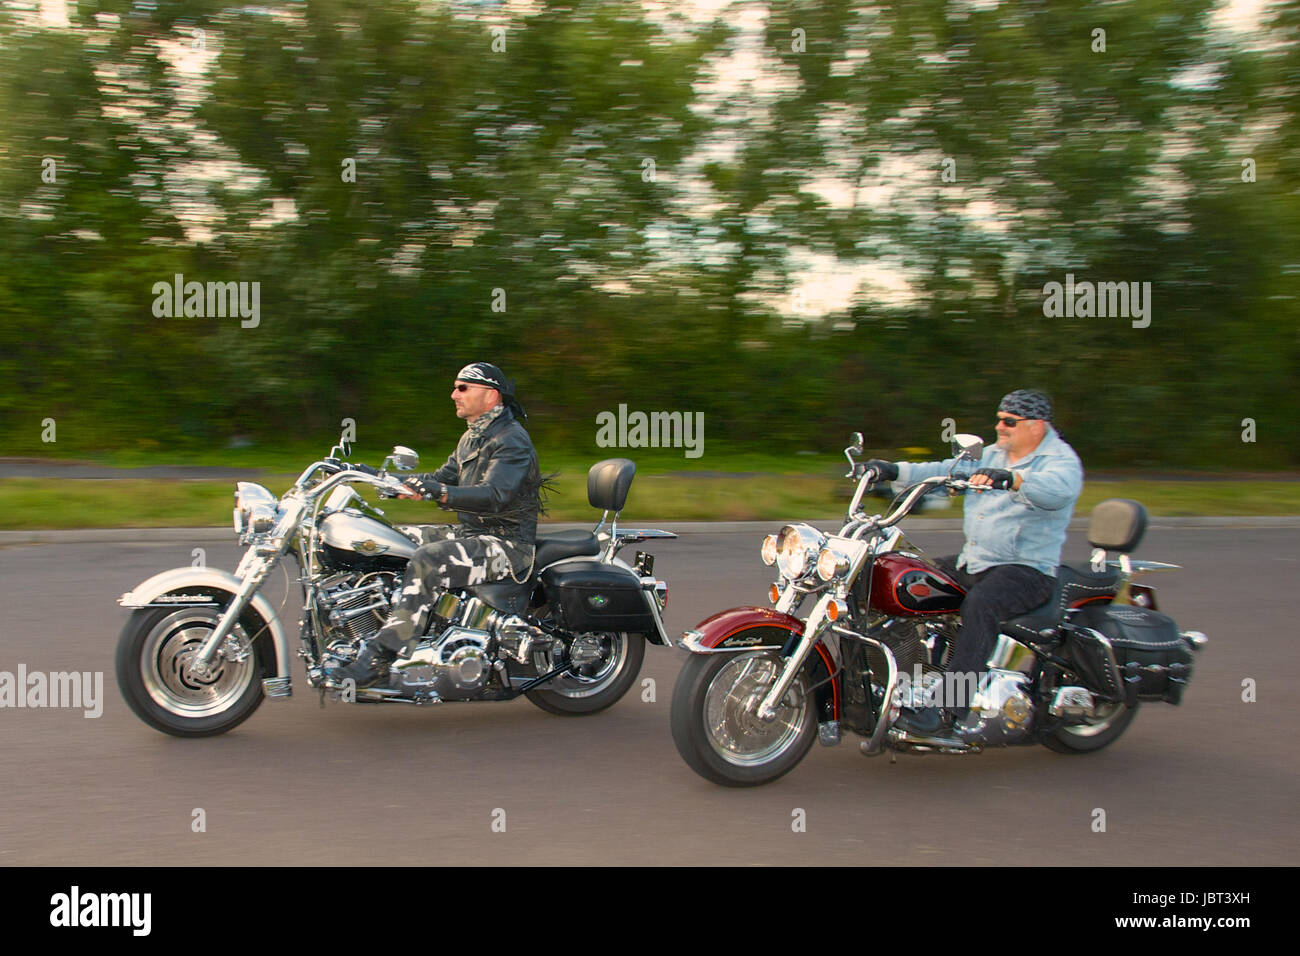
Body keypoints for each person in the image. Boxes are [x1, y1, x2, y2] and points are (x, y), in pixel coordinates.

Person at [862, 389, 1083, 736]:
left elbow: (1058, 491)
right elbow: (944, 470)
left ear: (1036, 427)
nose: (999, 425)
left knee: (981, 606)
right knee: (905, 580)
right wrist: (891, 470)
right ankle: (899, 680)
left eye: (1009, 421)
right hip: (975, 562)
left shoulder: (1060, 461)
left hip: (1025, 569)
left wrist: (1013, 479)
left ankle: (947, 710)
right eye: (999, 418)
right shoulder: (994, 454)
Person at [330, 362, 543, 688]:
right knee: (391, 540)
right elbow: (439, 479)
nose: (453, 394)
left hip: (506, 544)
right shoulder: (473, 437)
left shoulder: (511, 439)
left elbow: (495, 495)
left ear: (491, 395)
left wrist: (440, 493)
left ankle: (382, 656)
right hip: (474, 533)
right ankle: (390, 621)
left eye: (462, 388)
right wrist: (366, 473)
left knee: (428, 560)